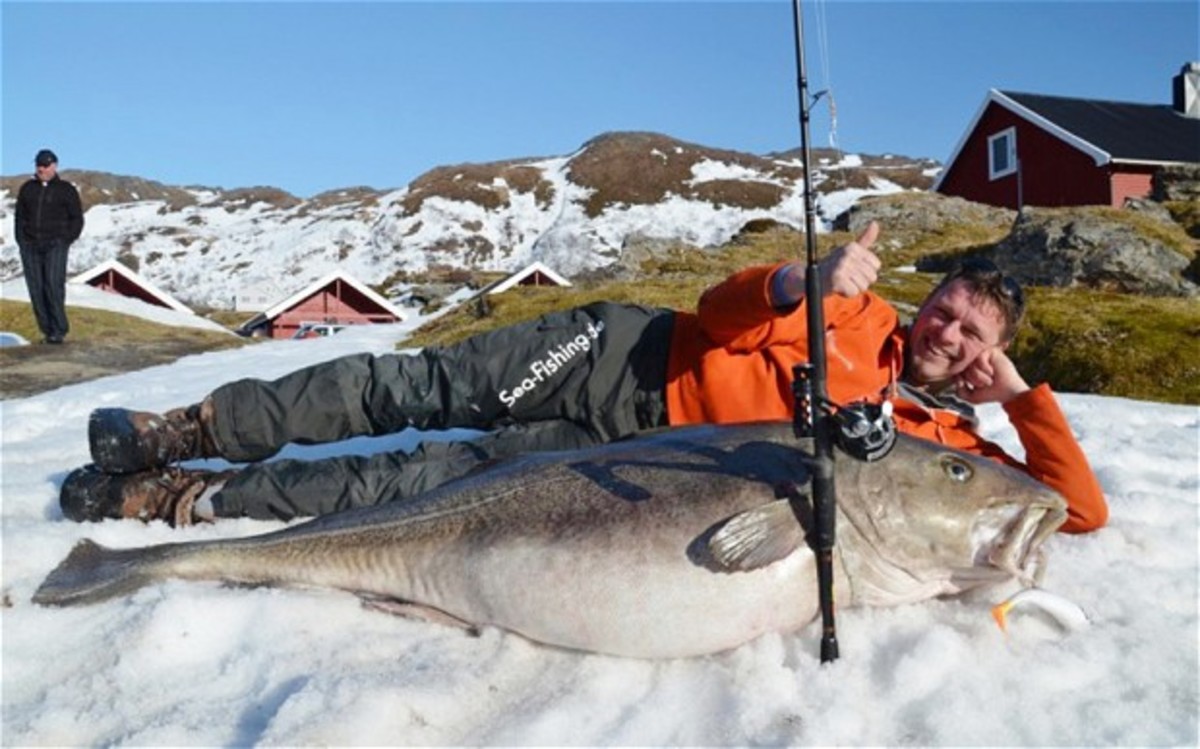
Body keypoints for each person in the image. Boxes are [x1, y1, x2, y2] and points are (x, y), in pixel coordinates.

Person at [60, 222, 1108, 533]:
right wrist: (804, 277)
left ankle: (187, 499)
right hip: (622, 354)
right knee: (411, 390)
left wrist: (1019, 395)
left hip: (629, 462)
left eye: (972, 336)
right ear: (926, 303)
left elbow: (1077, 508)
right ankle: (186, 427)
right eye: (948, 311)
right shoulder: (854, 303)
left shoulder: (944, 446)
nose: (948, 334)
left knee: (425, 482)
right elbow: (716, 312)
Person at [14, 149, 85, 344]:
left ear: (54, 166)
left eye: (45, 165)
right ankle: (47, 331)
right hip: (30, 246)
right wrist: (21, 241)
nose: (41, 169)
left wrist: (65, 240)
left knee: (53, 286)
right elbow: (19, 217)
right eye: (38, 165)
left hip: (55, 244)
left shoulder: (66, 189)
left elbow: (77, 218)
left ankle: (59, 329)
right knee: (36, 288)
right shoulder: (27, 188)